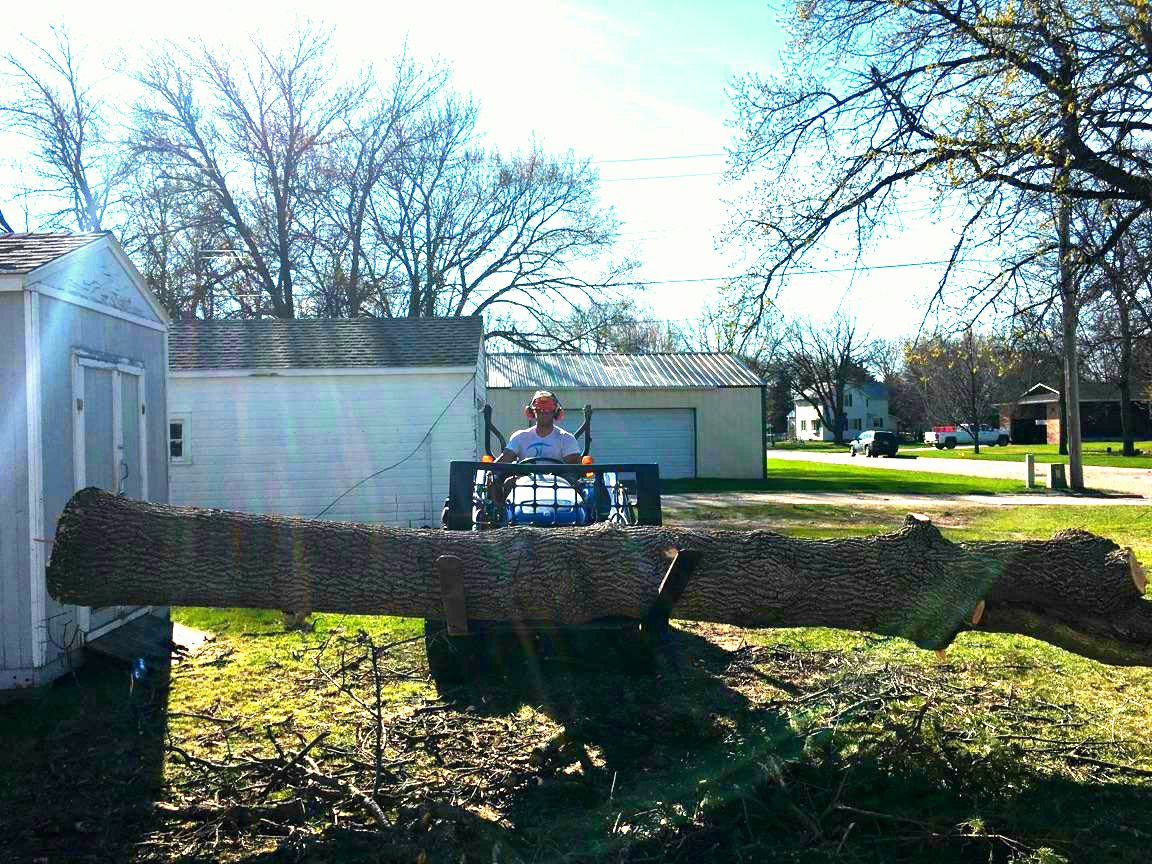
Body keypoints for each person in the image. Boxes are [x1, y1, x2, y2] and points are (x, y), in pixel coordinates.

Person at [496, 390, 582, 464]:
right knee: (508, 481)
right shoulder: (520, 437)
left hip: (558, 481)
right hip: (525, 480)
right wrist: (490, 472)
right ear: (531, 412)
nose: (543, 414)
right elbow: (504, 460)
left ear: (556, 413)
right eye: (539, 411)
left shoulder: (566, 439)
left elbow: (575, 469)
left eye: (548, 411)